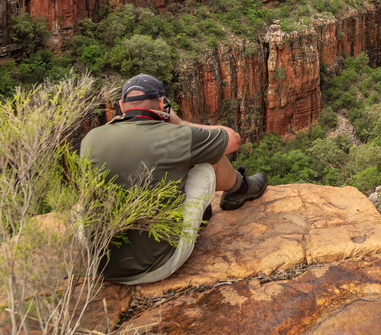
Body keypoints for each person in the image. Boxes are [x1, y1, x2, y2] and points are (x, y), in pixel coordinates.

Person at [80, 74, 268, 284]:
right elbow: (233, 140)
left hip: (101, 266)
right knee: (206, 162)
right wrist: (179, 122)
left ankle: (197, 211)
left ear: (122, 105)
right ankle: (240, 190)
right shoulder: (175, 135)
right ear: (162, 103)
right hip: (156, 265)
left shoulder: (91, 138)